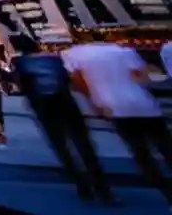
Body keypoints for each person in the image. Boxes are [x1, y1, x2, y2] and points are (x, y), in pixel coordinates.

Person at [64, 39, 171, 206]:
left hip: (114, 107)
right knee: (165, 145)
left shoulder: (72, 54)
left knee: (141, 152)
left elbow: (77, 81)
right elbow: (142, 78)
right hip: (143, 104)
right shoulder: (124, 51)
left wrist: (94, 102)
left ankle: (167, 191)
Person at [11, 35, 112, 203]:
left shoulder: (19, 62)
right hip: (67, 104)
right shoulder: (55, 59)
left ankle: (82, 186)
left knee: (62, 147)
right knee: (84, 146)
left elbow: (21, 85)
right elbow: (66, 79)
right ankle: (103, 189)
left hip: (44, 107)